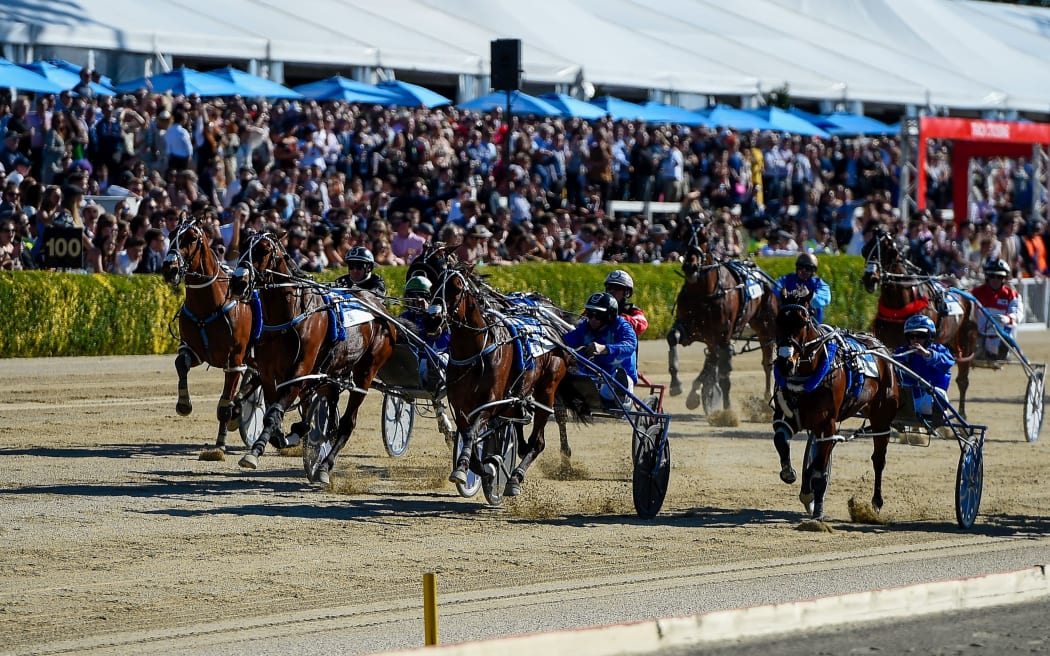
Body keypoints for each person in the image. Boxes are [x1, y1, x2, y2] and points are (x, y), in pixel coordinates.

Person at [563, 292, 638, 408]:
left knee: (618, 377)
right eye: (590, 314)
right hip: (592, 377)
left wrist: (605, 348)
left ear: (610, 316)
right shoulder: (585, 327)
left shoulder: (622, 326)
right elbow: (566, 341)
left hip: (619, 380)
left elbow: (630, 345)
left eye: (598, 315)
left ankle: (616, 399)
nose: (592, 319)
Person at [893, 314, 955, 422]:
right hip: (906, 401)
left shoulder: (939, 350)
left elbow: (949, 362)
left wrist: (927, 354)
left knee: (939, 393)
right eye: (911, 336)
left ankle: (938, 418)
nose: (915, 340)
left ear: (930, 336)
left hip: (929, 401)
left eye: (920, 336)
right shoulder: (902, 352)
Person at [399, 276, 449, 391]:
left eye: (419, 297)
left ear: (429, 299)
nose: (415, 301)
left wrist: (429, 317)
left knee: (439, 359)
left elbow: (443, 346)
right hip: (410, 365)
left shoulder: (440, 319)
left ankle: (433, 384)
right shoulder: (405, 317)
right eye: (411, 297)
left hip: (434, 363)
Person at [971, 258, 1024, 360]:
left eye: (999, 276)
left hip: (1002, 337)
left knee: (1009, 331)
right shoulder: (975, 293)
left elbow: (1018, 314)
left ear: (1004, 278)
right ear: (987, 277)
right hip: (979, 337)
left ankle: (1001, 353)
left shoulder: (1012, 295)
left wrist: (1007, 318)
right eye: (992, 276)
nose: (995, 279)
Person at [776, 252, 831, 322]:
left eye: (807, 268)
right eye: (800, 267)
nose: (803, 270)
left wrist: (810, 295)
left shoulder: (819, 284)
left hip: (811, 323)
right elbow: (775, 290)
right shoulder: (786, 279)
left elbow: (825, 299)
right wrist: (786, 295)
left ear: (814, 270)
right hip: (785, 321)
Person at [604, 269, 648, 337]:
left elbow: (642, 324)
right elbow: (582, 322)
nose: (612, 291)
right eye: (609, 287)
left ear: (627, 292)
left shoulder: (632, 310)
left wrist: (616, 318)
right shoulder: (599, 306)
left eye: (617, 288)